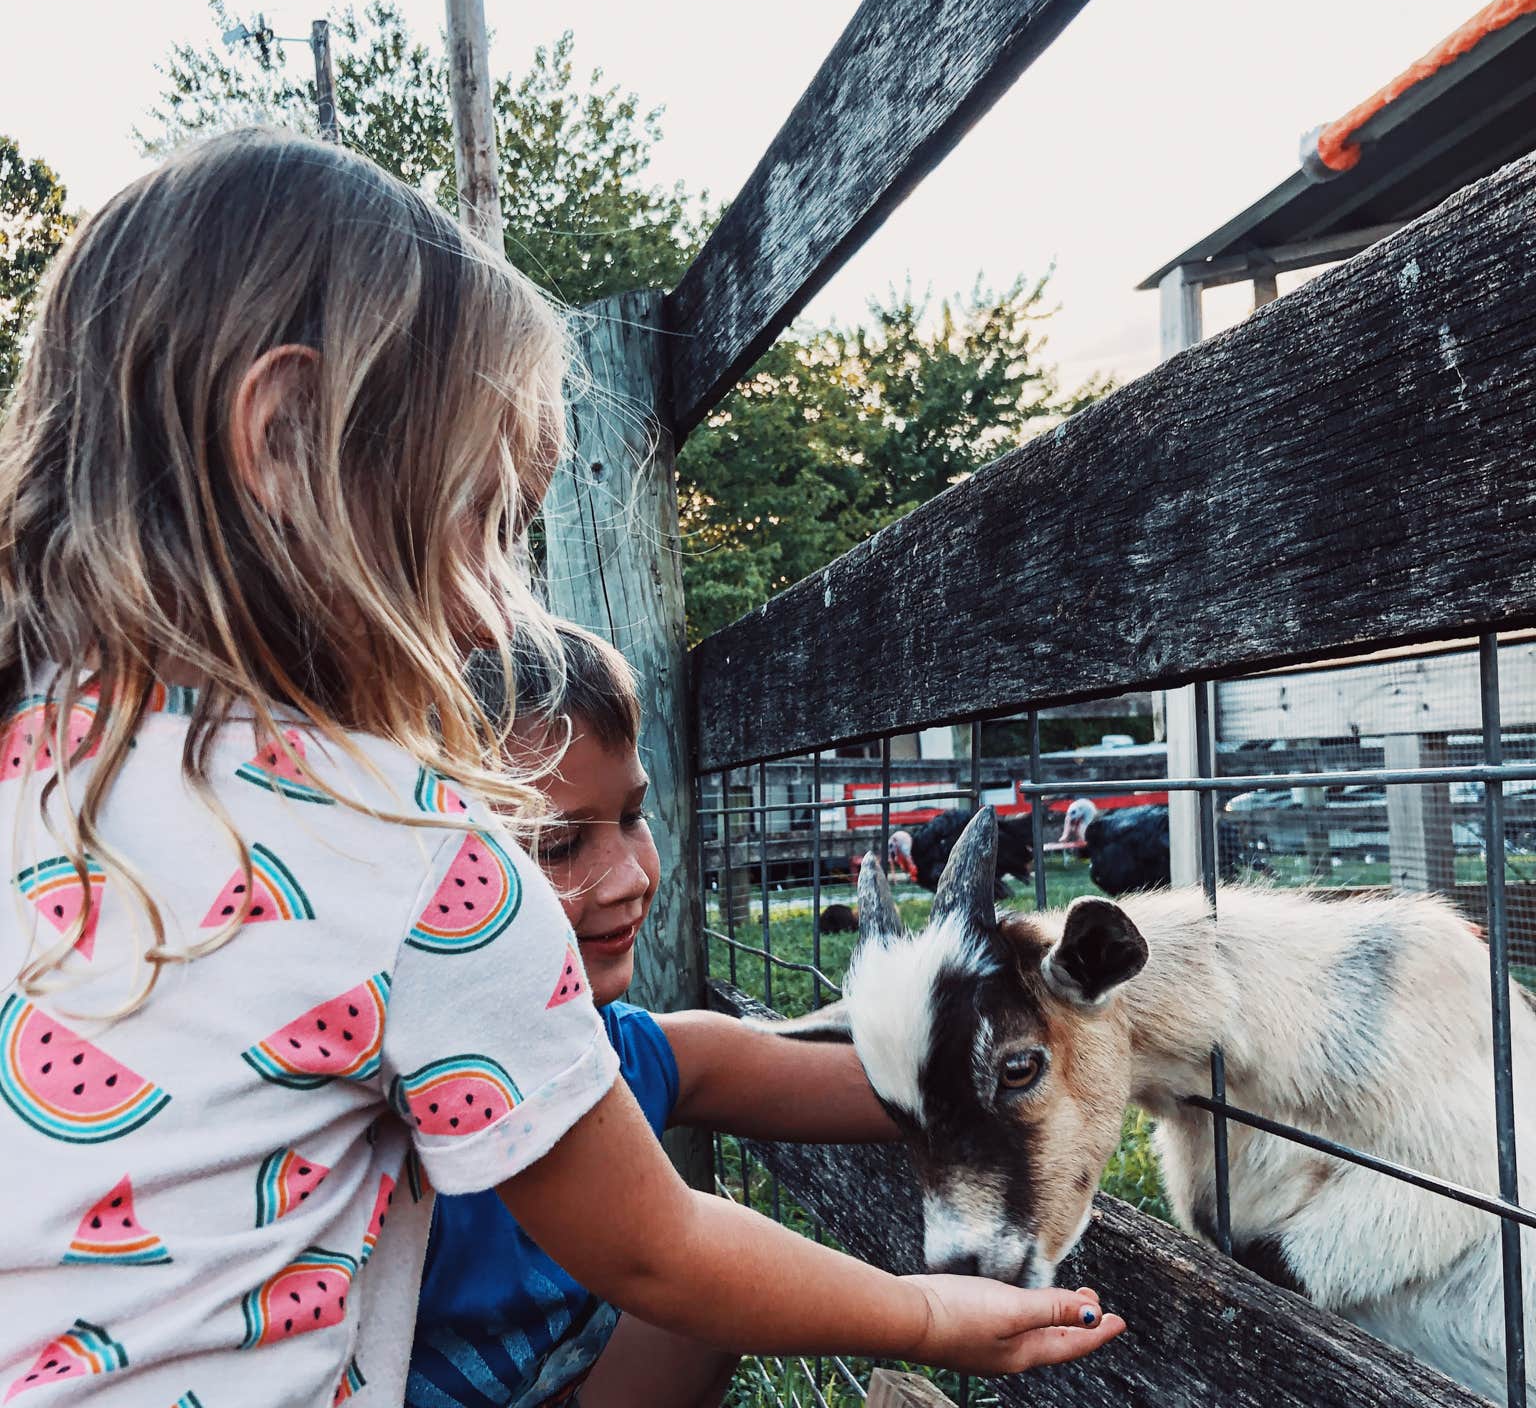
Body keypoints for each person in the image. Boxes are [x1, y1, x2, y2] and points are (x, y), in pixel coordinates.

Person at [0, 129, 1123, 1407]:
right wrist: (927, 1315)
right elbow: (657, 1244)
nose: (490, 618)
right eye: (480, 524)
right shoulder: (406, 857)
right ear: (288, 436)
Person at [415, 620, 921, 1407]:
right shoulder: (377, 1133)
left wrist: (1068, 1037)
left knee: (719, 1279)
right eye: (556, 845)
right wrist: (929, 1318)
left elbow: (898, 1079)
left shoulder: (629, 1055)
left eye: (631, 815)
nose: (626, 877)